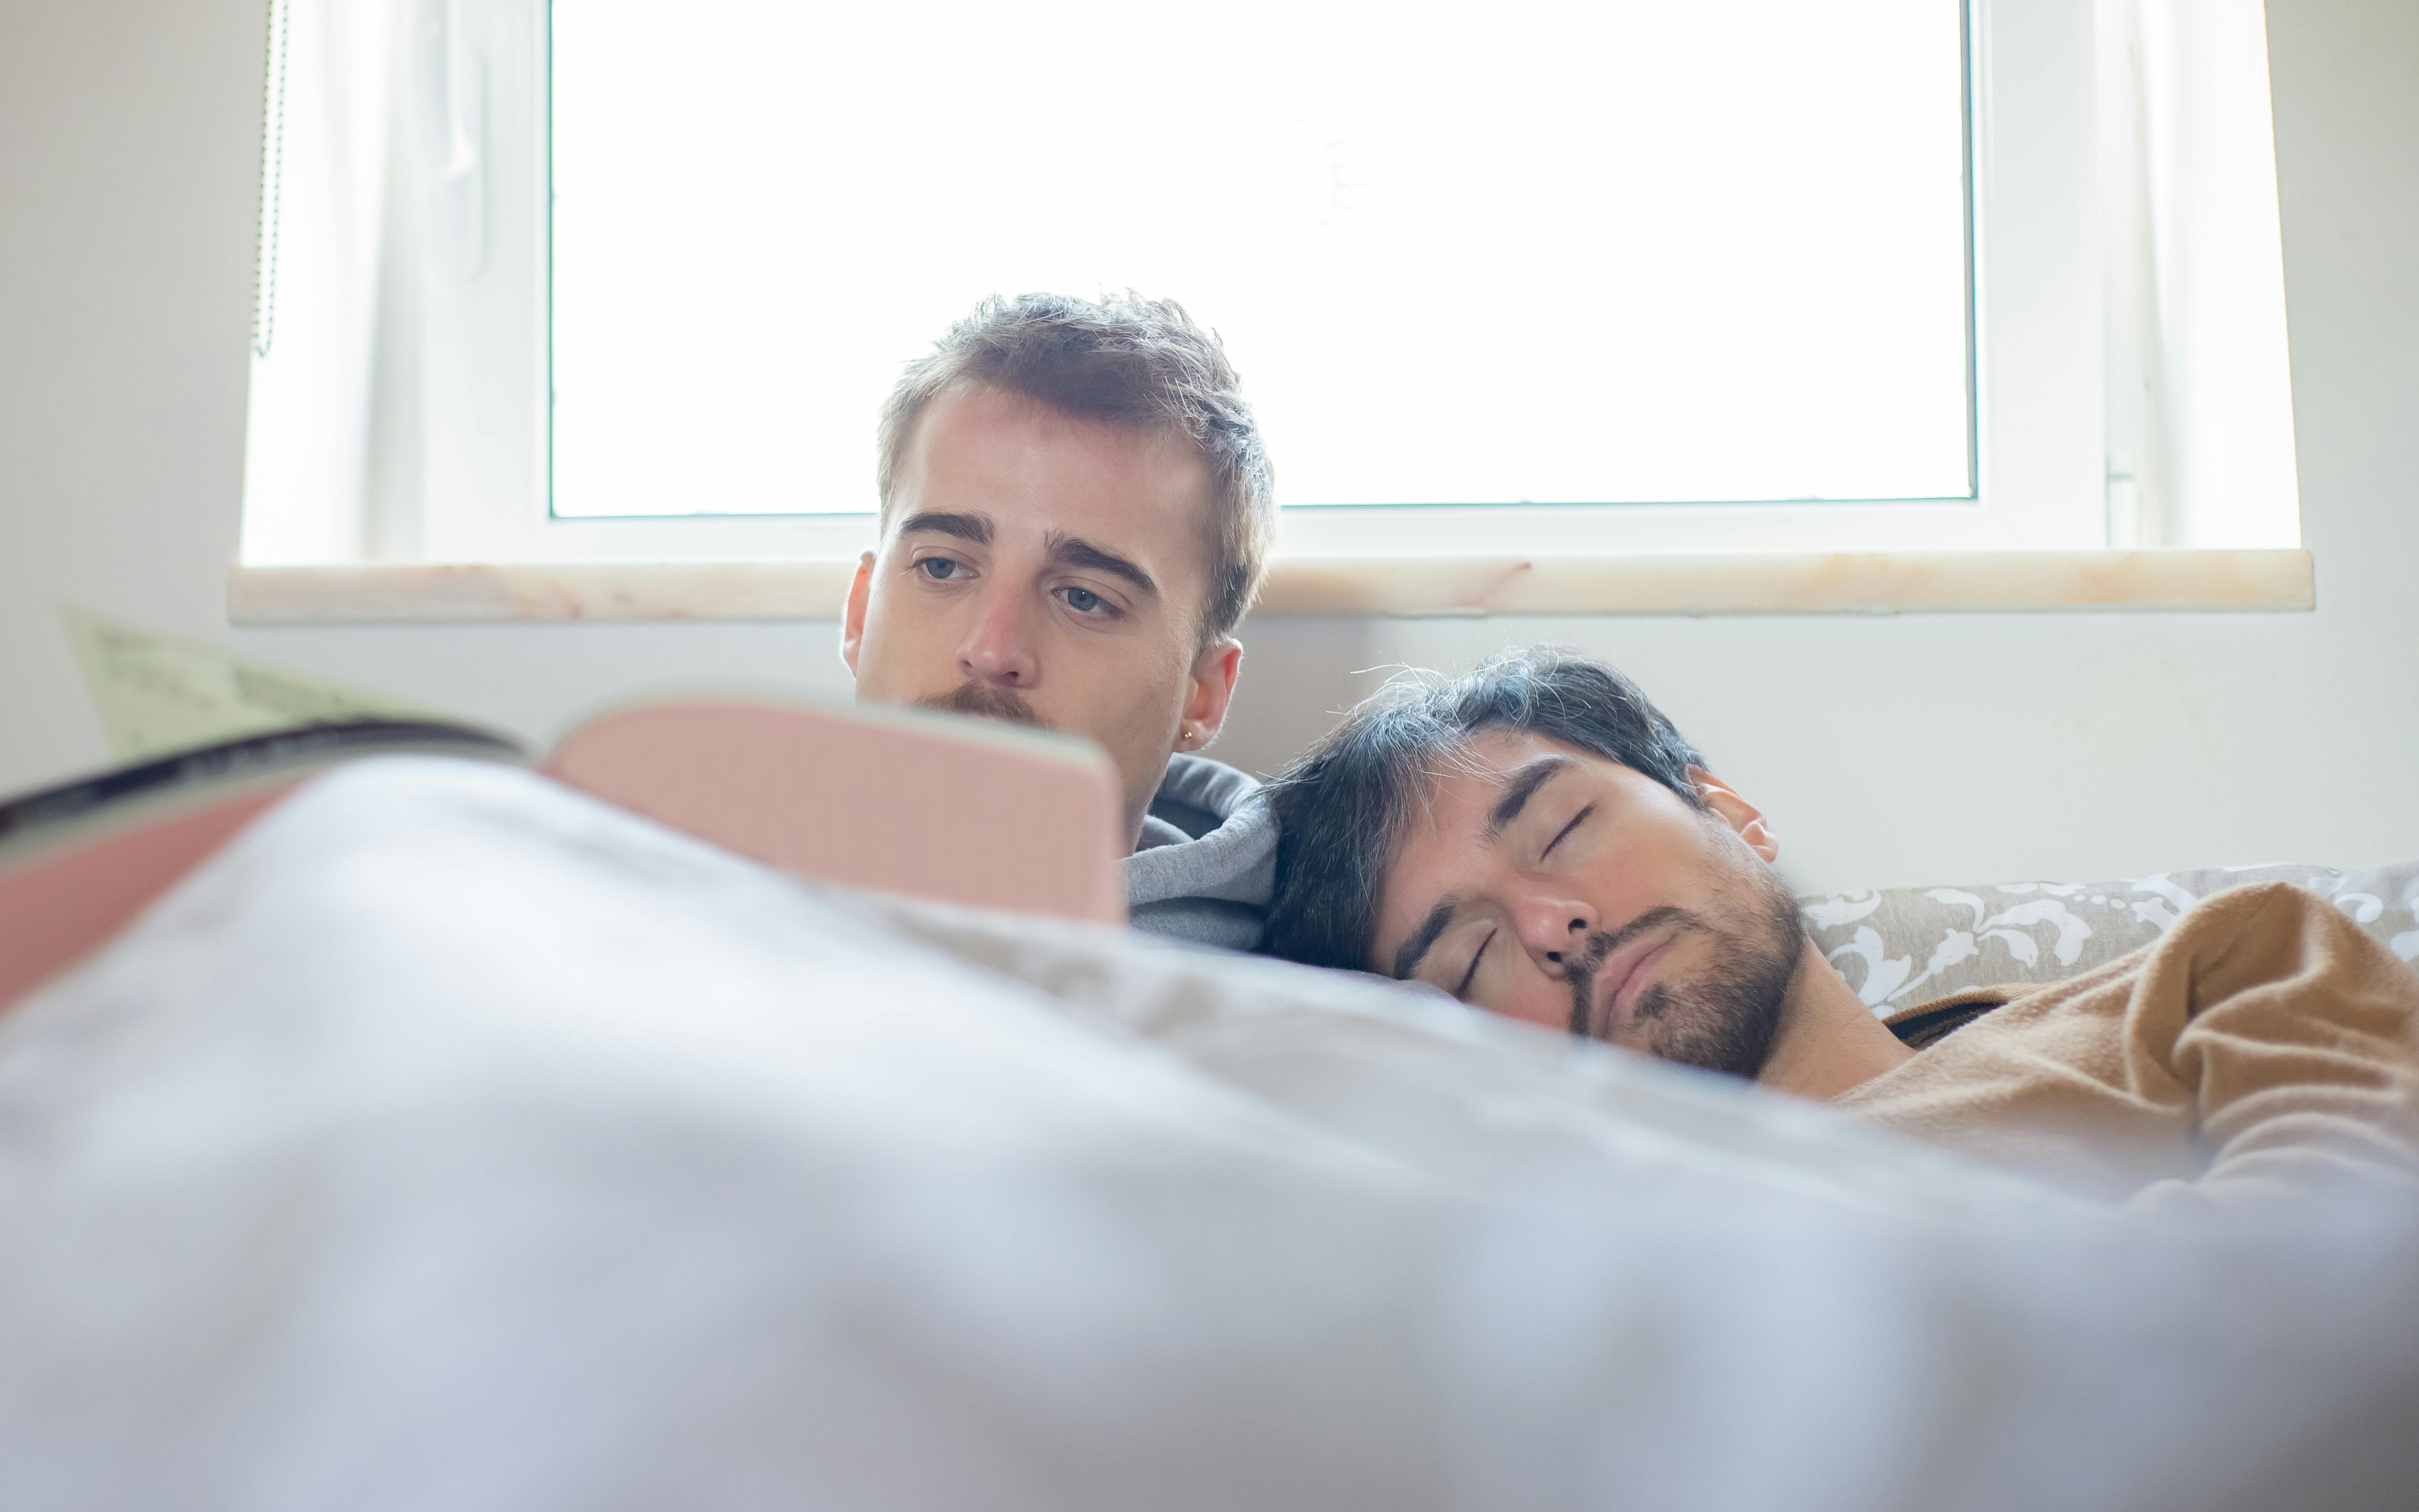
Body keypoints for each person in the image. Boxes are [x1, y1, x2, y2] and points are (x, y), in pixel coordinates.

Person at [1261, 646, 2419, 1201]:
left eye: (1563, 830)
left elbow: (2347, 1295)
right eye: (1470, 957)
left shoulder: (2220, 971)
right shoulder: (1583, 1258)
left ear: (1729, 812)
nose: (1554, 922)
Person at [842, 293, 1276, 949]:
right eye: (941, 567)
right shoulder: (669, 902)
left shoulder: (1310, 1019)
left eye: (1083, 598)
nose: (992, 650)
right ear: (858, 613)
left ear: (1203, 694)